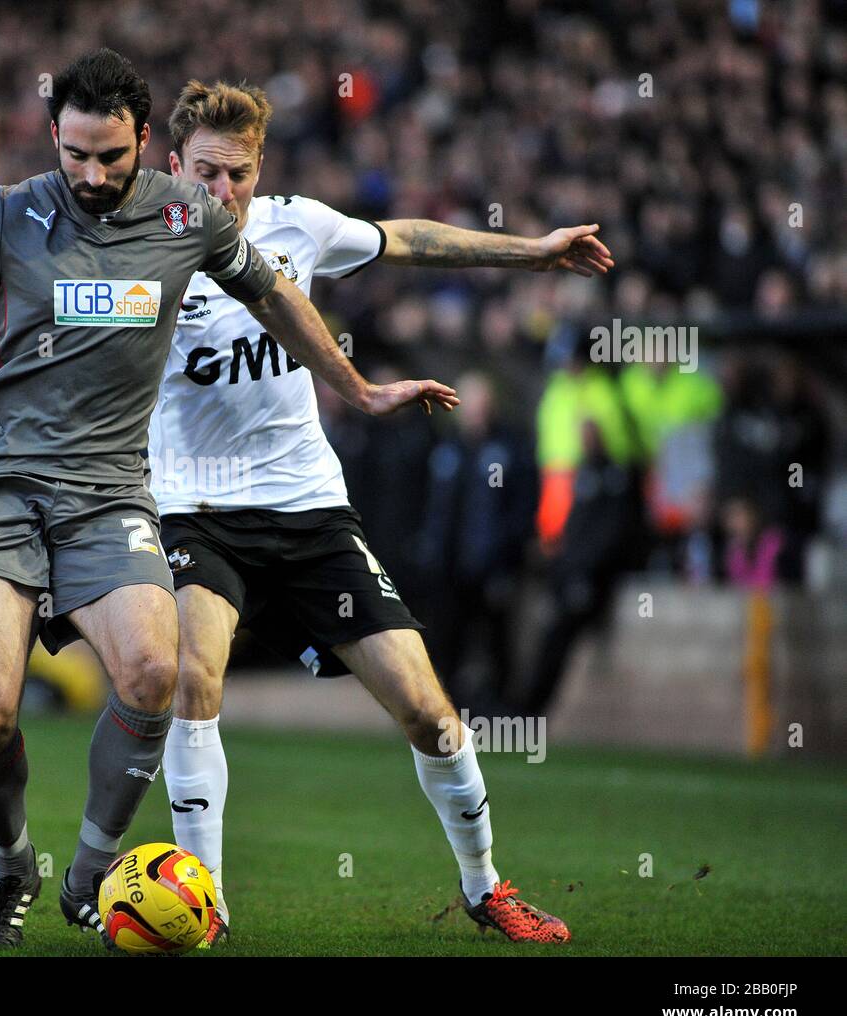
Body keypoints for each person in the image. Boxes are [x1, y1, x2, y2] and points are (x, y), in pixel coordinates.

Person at [0, 50, 455, 950]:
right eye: (76, 153)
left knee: (157, 674)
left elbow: (275, 297)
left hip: (112, 494)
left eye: (111, 157)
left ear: (145, 142)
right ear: (54, 137)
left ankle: (86, 871)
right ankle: (12, 863)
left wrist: (358, 389)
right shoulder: (7, 215)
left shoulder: (188, 214)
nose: (92, 173)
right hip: (3, 487)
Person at [151, 79, 614, 944]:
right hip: (196, 508)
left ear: (260, 170)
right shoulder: (142, 250)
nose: (221, 194)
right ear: (173, 166)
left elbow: (410, 240)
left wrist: (533, 252)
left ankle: (485, 888)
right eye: (205, 174)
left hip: (310, 509)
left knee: (431, 713)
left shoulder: (297, 225)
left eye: (237, 176)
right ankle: (203, 901)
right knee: (192, 678)